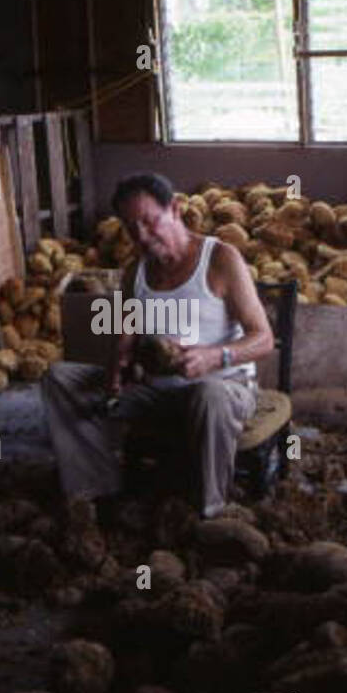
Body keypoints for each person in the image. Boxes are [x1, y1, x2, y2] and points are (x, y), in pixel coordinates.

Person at [42, 173, 275, 517]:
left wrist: (215, 356)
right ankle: (98, 491)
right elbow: (125, 338)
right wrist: (118, 367)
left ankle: (210, 511)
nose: (143, 237)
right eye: (131, 228)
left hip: (224, 386)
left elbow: (264, 338)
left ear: (176, 210)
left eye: (150, 222)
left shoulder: (220, 259)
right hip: (155, 392)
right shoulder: (135, 272)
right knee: (60, 378)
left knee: (209, 395)